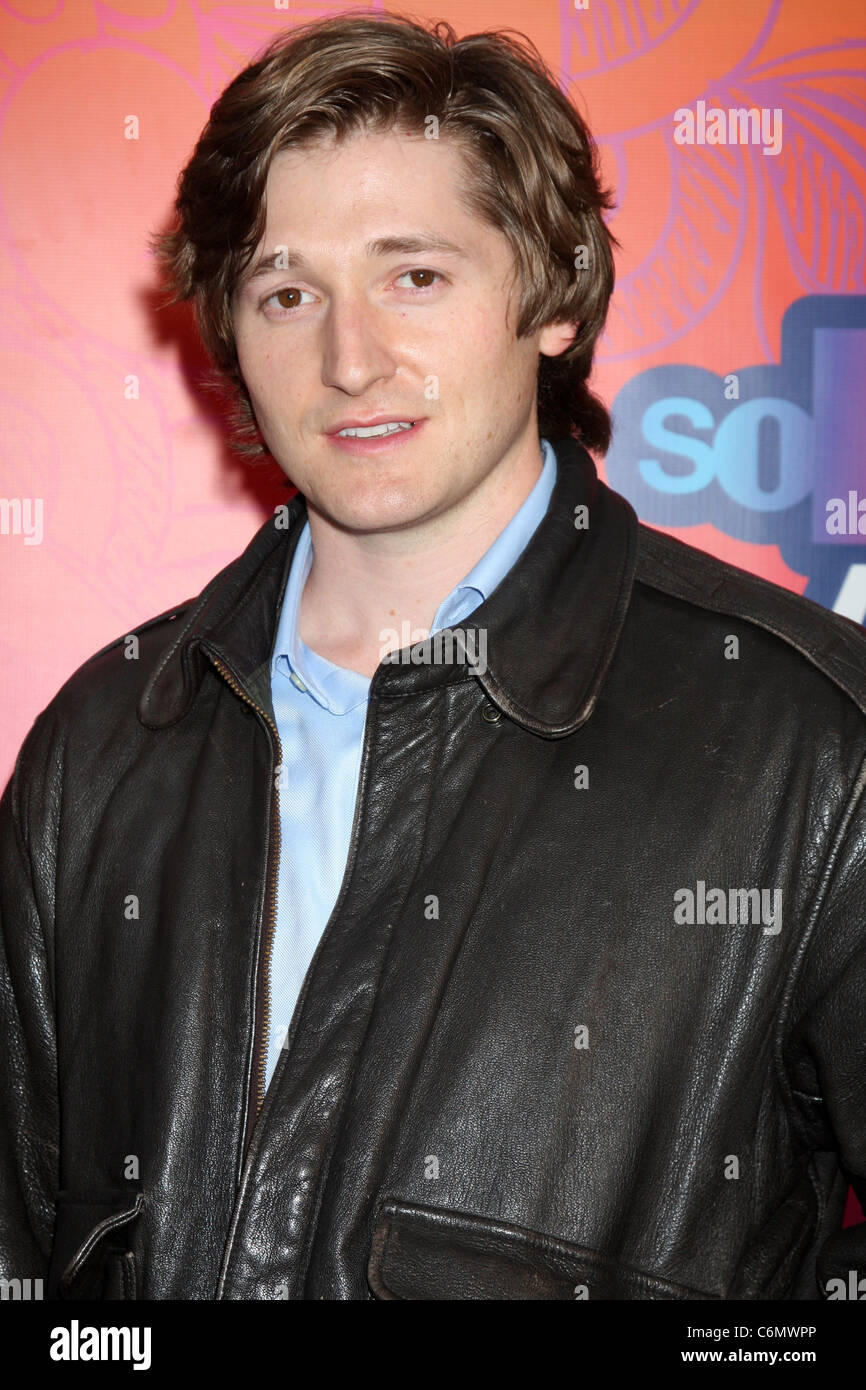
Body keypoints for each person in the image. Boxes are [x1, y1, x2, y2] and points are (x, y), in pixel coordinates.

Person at [1, 11, 864, 1303]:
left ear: (551, 296)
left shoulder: (809, 739)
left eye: (414, 275)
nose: (349, 360)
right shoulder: (101, 746)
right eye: (287, 292)